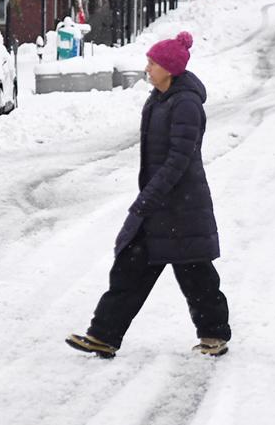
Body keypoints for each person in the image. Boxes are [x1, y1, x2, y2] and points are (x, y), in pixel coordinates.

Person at [67, 31, 231, 359]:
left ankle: (214, 335)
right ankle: (103, 336)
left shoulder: (185, 103)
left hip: (182, 208)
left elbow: (179, 159)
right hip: (161, 205)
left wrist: (149, 196)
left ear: (169, 68)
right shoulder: (159, 98)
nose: (147, 68)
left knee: (197, 276)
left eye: (153, 63)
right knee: (130, 270)